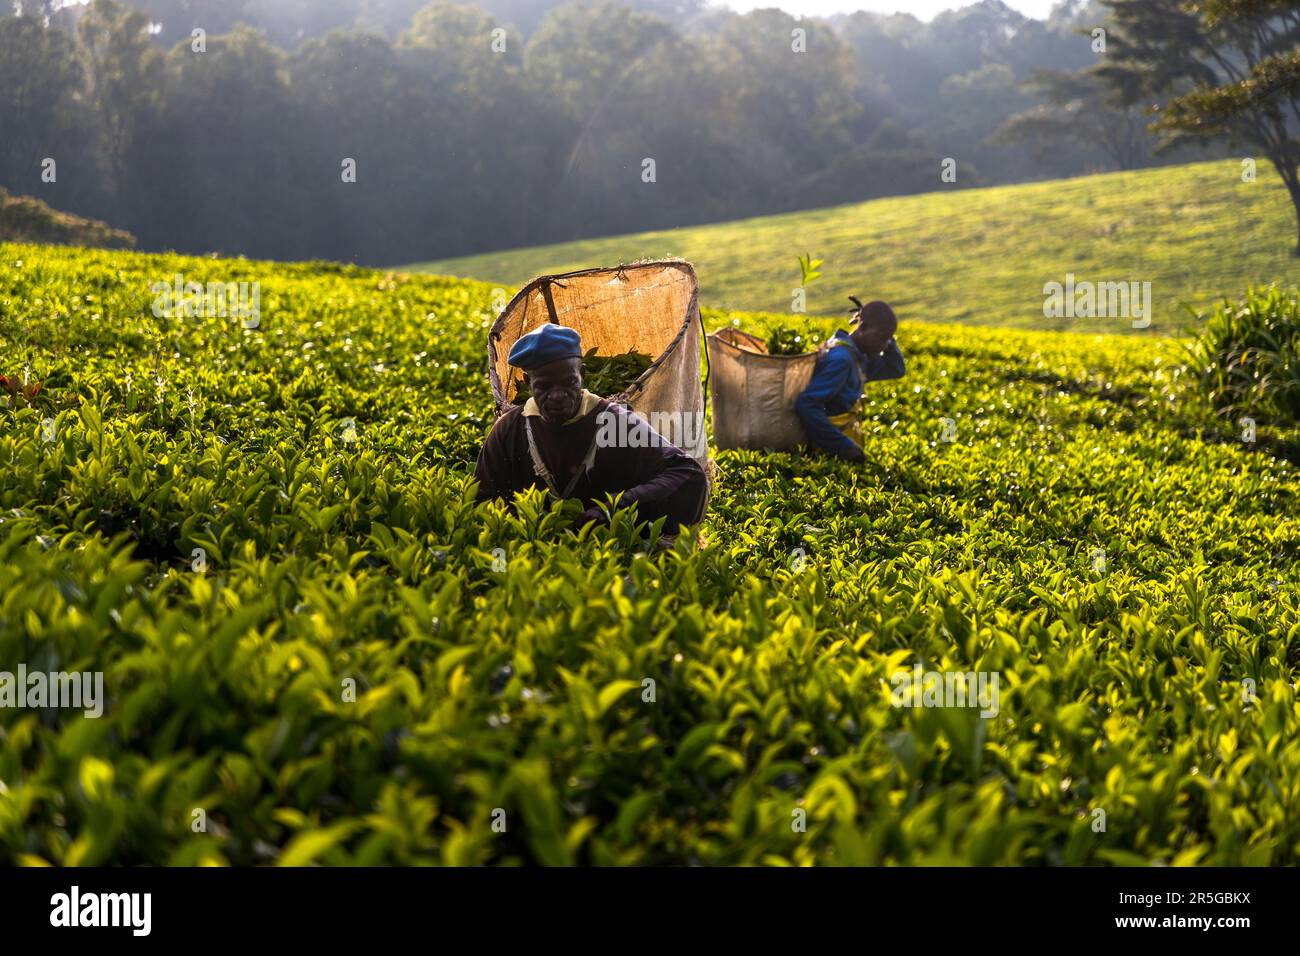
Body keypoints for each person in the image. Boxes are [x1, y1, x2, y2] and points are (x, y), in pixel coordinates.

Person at [474, 323, 708, 534]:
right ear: (528, 383)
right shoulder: (510, 428)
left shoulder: (617, 423)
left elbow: (687, 476)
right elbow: (482, 498)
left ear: (582, 375)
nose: (557, 395)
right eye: (544, 386)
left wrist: (615, 507)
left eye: (569, 383)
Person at [794, 299, 905, 462]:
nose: (883, 345)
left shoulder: (860, 358)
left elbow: (895, 369)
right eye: (880, 338)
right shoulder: (842, 360)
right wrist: (843, 447)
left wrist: (888, 339)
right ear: (863, 327)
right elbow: (807, 404)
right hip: (822, 453)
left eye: (888, 340)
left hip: (833, 450)